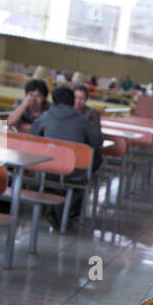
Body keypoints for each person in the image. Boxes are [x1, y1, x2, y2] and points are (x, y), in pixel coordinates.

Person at [30, 85, 102, 225]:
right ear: (72, 102)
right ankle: (65, 210)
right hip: (73, 173)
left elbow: (34, 135)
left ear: (54, 102)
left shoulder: (45, 117)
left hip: (46, 171)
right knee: (88, 169)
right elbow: (97, 141)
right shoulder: (82, 120)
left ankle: (53, 208)